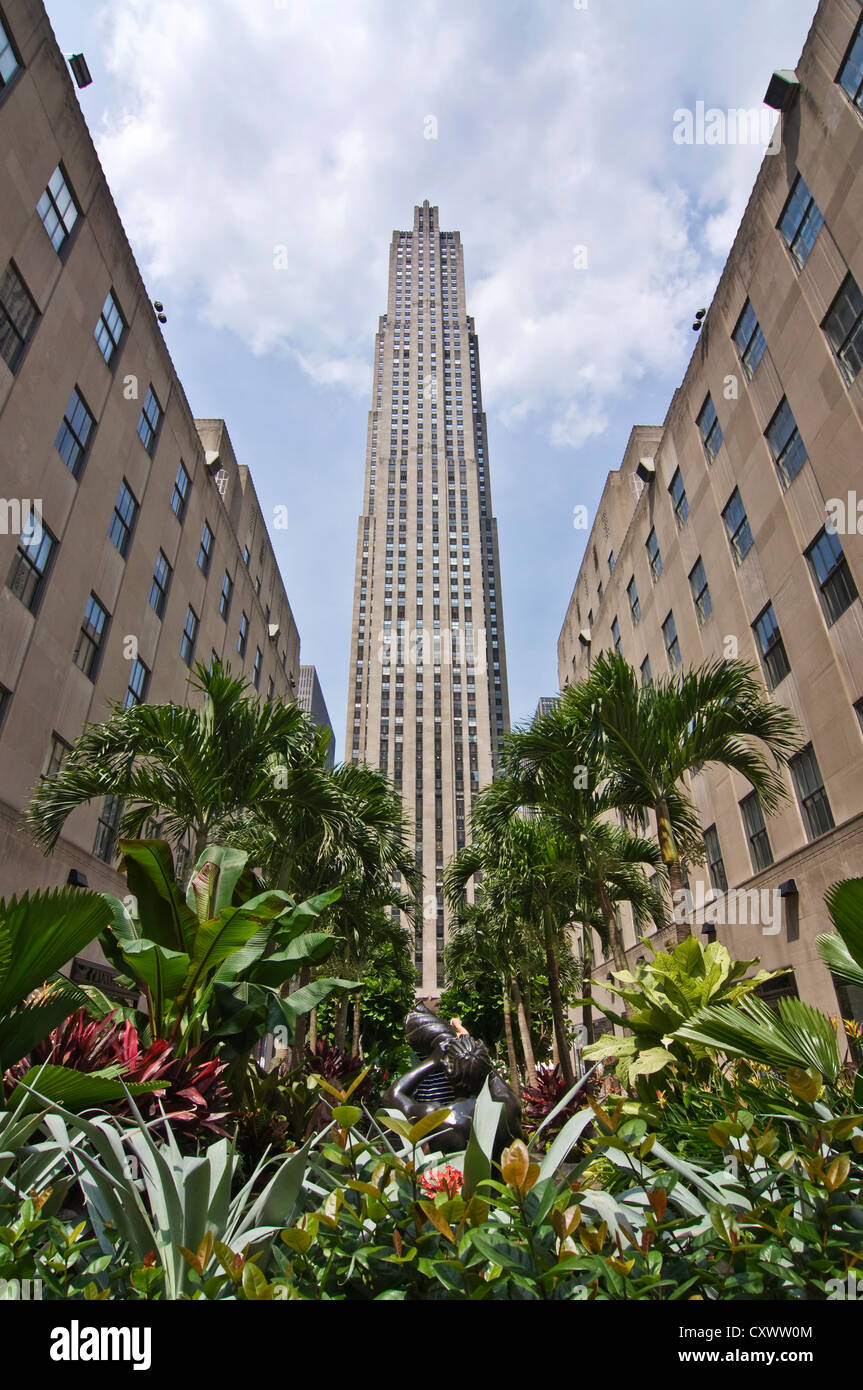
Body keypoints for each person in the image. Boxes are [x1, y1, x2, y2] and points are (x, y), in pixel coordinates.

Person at [381, 1003, 521, 1155]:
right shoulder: (509, 1105)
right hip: (499, 1178)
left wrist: (433, 1061)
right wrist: (470, 1049)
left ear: (448, 1071)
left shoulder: (438, 1117)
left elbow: (392, 1095)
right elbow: (487, 1070)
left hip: (453, 1178)